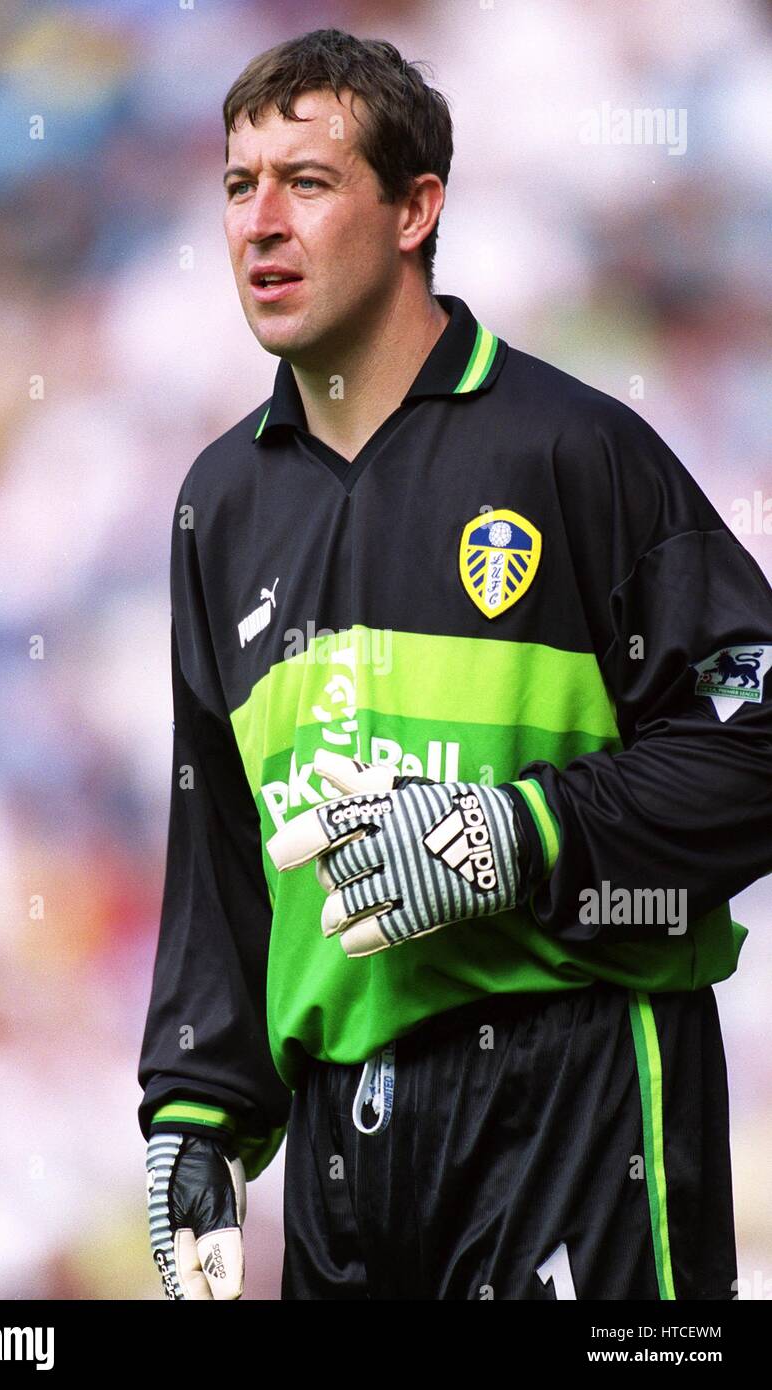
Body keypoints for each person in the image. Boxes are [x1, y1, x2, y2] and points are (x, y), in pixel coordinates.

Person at [138, 28, 772, 1301]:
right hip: (341, 1147)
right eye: (236, 184)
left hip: (576, 1094)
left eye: (306, 184)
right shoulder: (217, 505)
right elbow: (218, 839)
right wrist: (200, 1114)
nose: (259, 223)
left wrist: (515, 835)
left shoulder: (573, 450)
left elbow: (753, 737)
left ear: (416, 208)